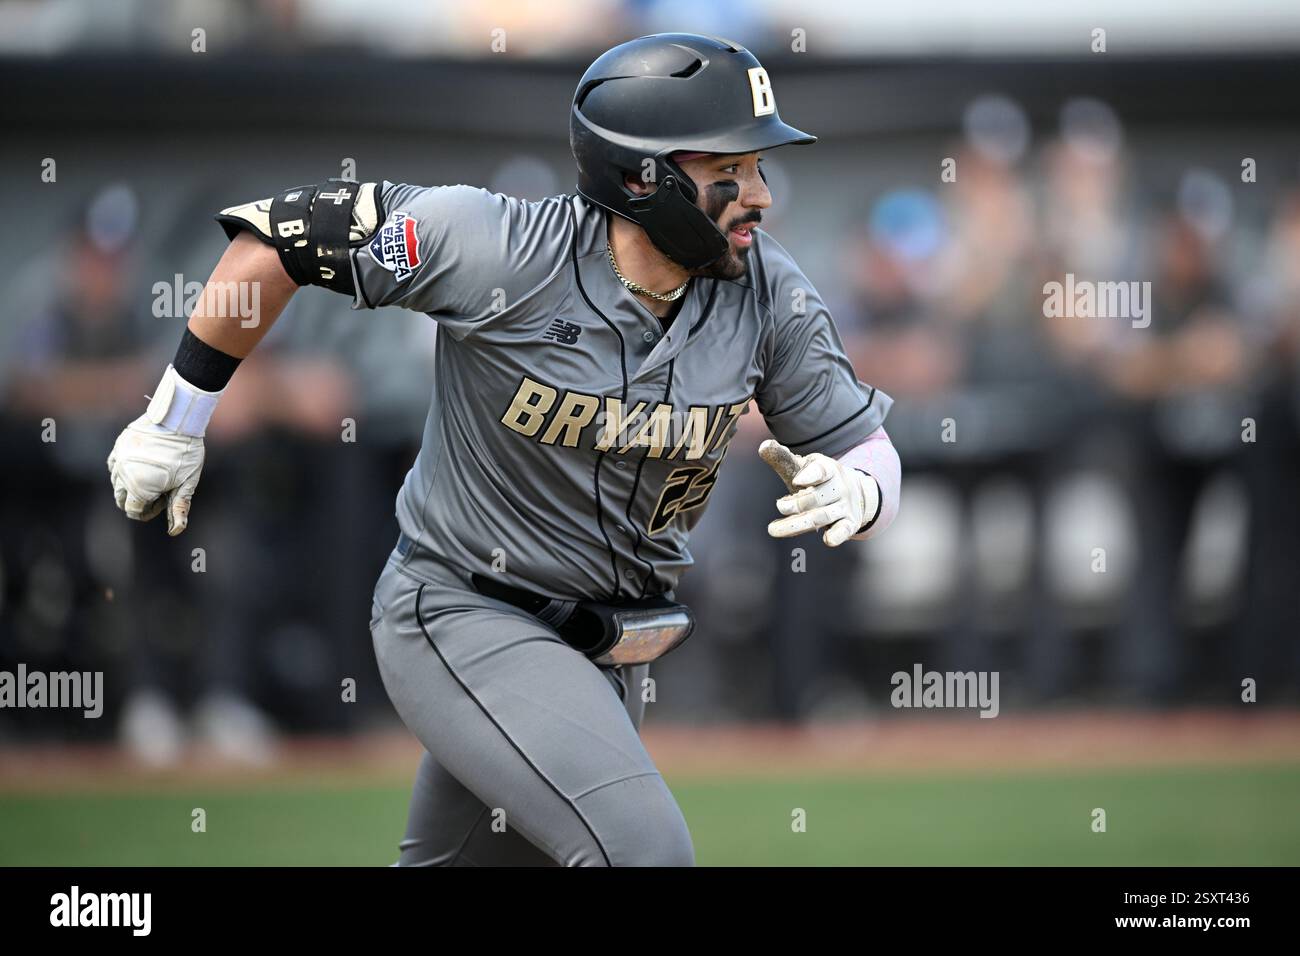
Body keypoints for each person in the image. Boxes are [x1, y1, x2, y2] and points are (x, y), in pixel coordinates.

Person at [103, 33, 902, 866]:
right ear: (642, 177)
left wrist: (865, 488)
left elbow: (871, 448)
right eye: (730, 171)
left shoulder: (769, 292)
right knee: (646, 853)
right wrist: (176, 418)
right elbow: (276, 245)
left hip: (605, 653)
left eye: (761, 169)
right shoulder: (502, 248)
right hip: (465, 611)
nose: (761, 196)